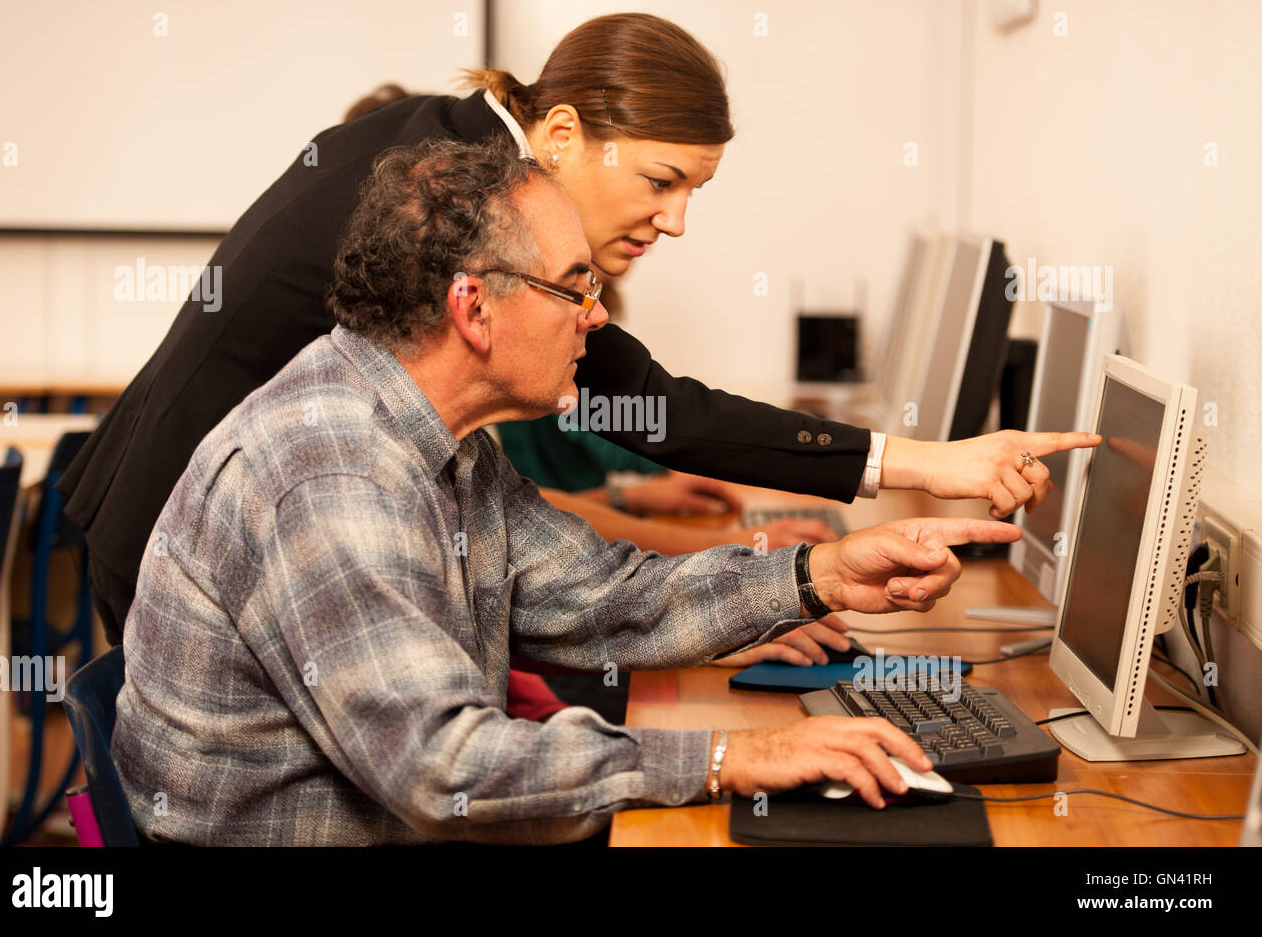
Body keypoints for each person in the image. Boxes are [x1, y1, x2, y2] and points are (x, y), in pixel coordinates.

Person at [59, 12, 1096, 647]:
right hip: (176, 529)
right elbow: (655, 409)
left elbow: (635, 415)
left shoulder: (453, 146)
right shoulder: (458, 205)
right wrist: (930, 468)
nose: (675, 219)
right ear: (561, 134)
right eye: (660, 180)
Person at [112, 137, 1021, 844]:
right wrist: (729, 756)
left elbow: (605, 601)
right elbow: (443, 767)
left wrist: (819, 572)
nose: (595, 316)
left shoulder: (443, 438)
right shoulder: (330, 474)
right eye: (574, 287)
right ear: (475, 308)